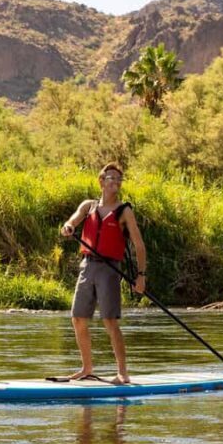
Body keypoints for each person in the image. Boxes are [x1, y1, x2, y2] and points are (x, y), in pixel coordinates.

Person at [60, 163, 146, 385]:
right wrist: (68, 227)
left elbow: (139, 245)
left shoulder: (124, 211)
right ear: (101, 181)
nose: (115, 182)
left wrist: (141, 275)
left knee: (109, 320)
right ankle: (86, 369)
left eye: (119, 179)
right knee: (78, 318)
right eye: (111, 178)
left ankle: (122, 373)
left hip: (110, 269)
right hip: (87, 266)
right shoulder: (88, 206)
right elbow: (71, 221)